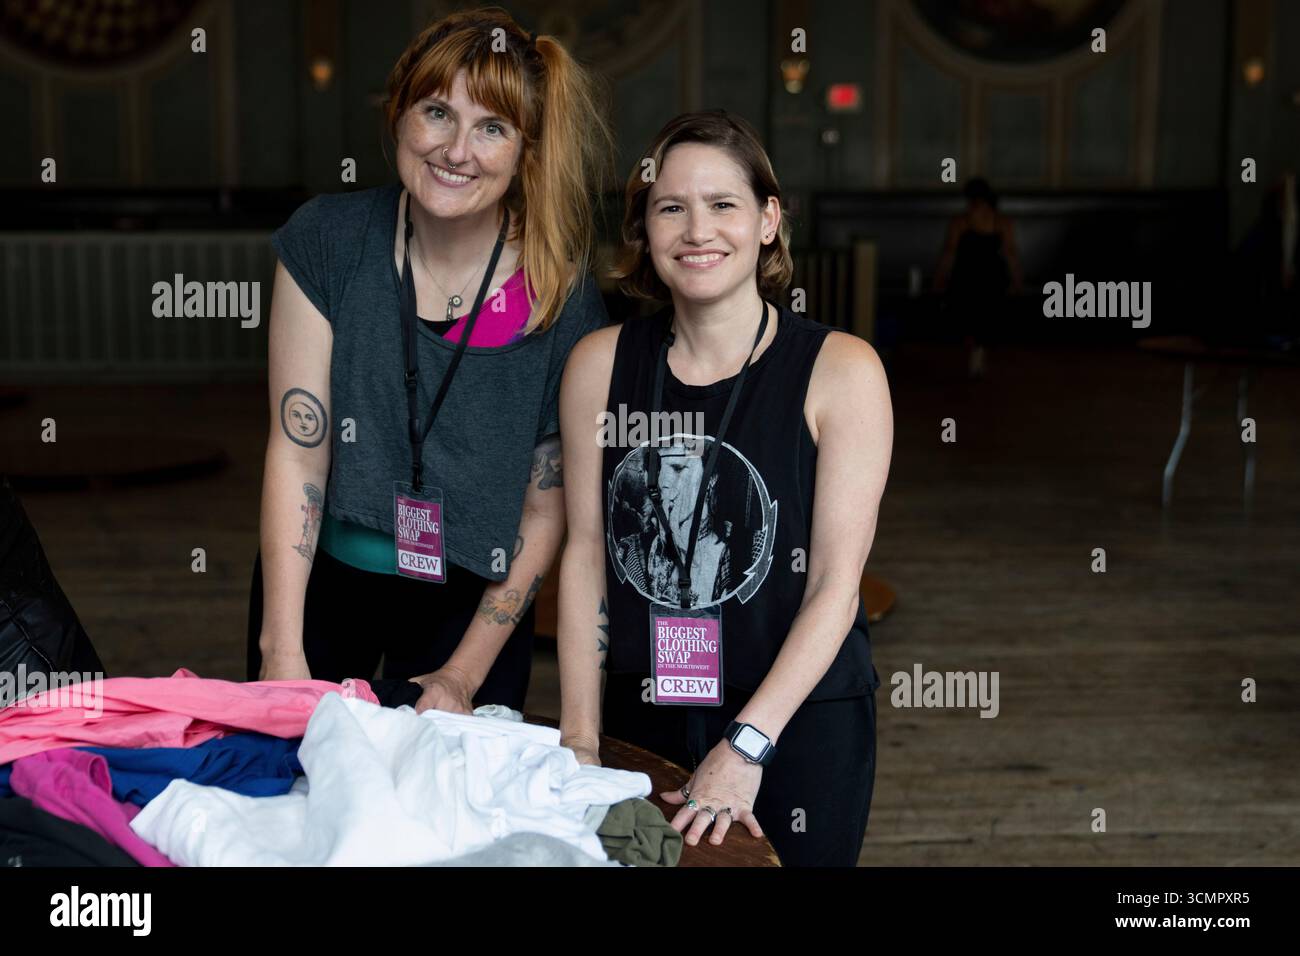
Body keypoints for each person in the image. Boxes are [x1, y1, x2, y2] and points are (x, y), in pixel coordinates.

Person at [246, 8, 614, 716]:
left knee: (446, 822)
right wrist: (281, 650)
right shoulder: (329, 239)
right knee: (298, 801)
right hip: (319, 585)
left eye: (493, 128)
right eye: (437, 112)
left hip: (469, 609)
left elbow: (545, 513)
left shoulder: (558, 298)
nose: (457, 150)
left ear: (525, 151)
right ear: (399, 115)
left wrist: (462, 676)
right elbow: (298, 452)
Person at [556, 110, 892, 866]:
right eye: (670, 206)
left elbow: (838, 587)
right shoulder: (598, 365)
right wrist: (580, 738)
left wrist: (748, 746)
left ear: (769, 220)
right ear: (644, 227)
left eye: (723, 205)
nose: (696, 229)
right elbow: (585, 557)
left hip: (799, 716)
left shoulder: (842, 371)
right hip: (645, 709)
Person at [934, 177, 1024, 378]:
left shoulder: (963, 221)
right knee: (979, 315)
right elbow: (1011, 254)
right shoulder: (999, 221)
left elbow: (948, 253)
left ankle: (976, 353)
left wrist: (940, 277)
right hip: (982, 278)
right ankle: (977, 354)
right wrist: (1017, 280)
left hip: (974, 278)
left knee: (976, 315)